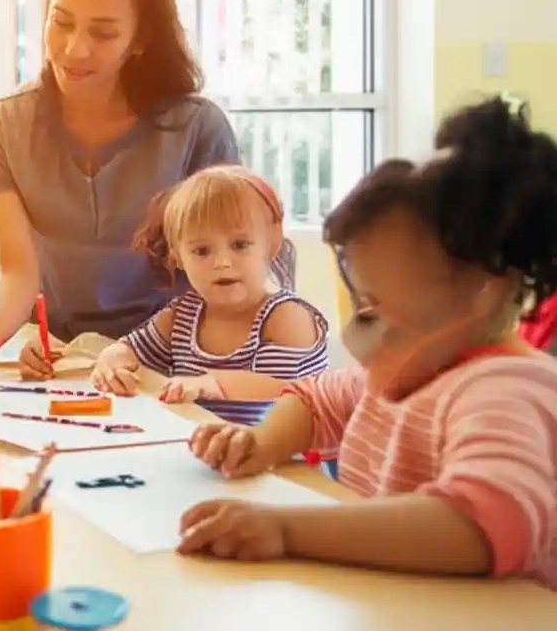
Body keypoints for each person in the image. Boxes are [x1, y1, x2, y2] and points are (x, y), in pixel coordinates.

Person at [182, 97, 557, 588]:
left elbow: (482, 522)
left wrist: (284, 527)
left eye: (379, 304)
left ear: (483, 288)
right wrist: (259, 444)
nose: (368, 325)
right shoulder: (411, 365)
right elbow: (315, 401)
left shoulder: (503, 390)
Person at [0, 0, 241, 378]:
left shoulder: (197, 129)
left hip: (176, 356)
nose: (74, 49)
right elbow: (18, 272)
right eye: (61, 23)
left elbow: (230, 272)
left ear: (139, 41)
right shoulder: (0, 127)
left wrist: (141, 349)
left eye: (103, 34)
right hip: (61, 355)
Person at [90, 165, 328, 400]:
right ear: (178, 257)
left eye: (240, 245)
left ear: (272, 243)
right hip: (204, 437)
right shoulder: (182, 316)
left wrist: (209, 384)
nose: (222, 262)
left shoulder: (286, 316)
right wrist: (112, 362)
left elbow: (282, 390)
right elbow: (129, 349)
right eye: (202, 250)